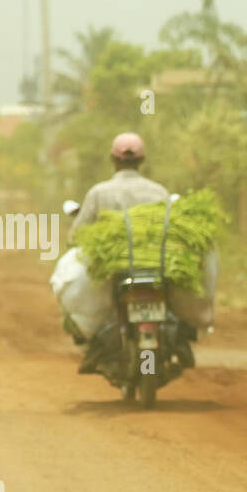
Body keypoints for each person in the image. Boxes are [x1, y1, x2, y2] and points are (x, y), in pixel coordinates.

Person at [72, 132, 169, 375]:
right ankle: (177, 344)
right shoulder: (159, 192)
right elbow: (171, 231)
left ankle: (96, 348)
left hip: (117, 270)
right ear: (142, 160)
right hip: (154, 267)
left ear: (113, 160)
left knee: (101, 304)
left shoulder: (99, 193)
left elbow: (78, 233)